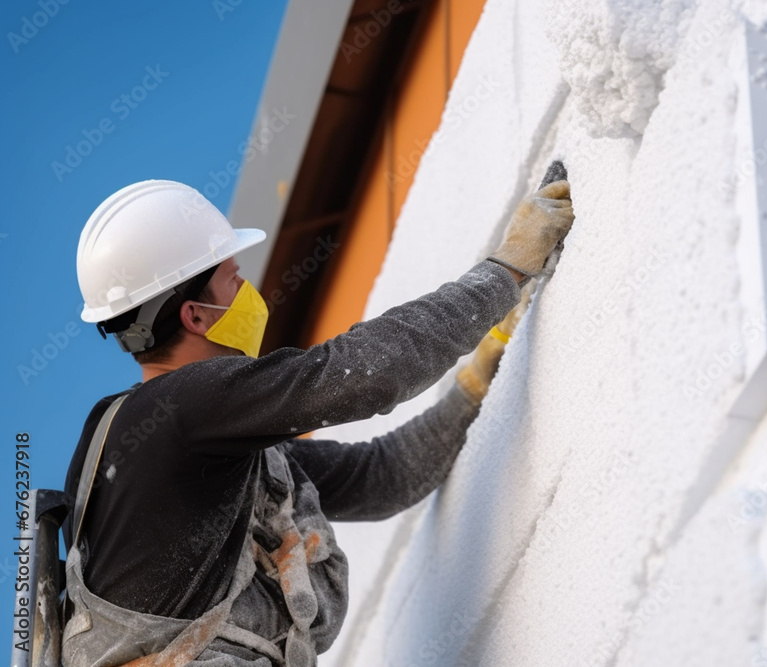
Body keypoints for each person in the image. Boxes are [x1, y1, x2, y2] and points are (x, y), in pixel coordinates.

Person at [62, 178, 573, 666]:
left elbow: (379, 478)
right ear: (196, 315)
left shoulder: (191, 448)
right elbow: (362, 372)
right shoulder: (177, 408)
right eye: (233, 279)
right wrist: (505, 272)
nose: (248, 290)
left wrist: (472, 390)